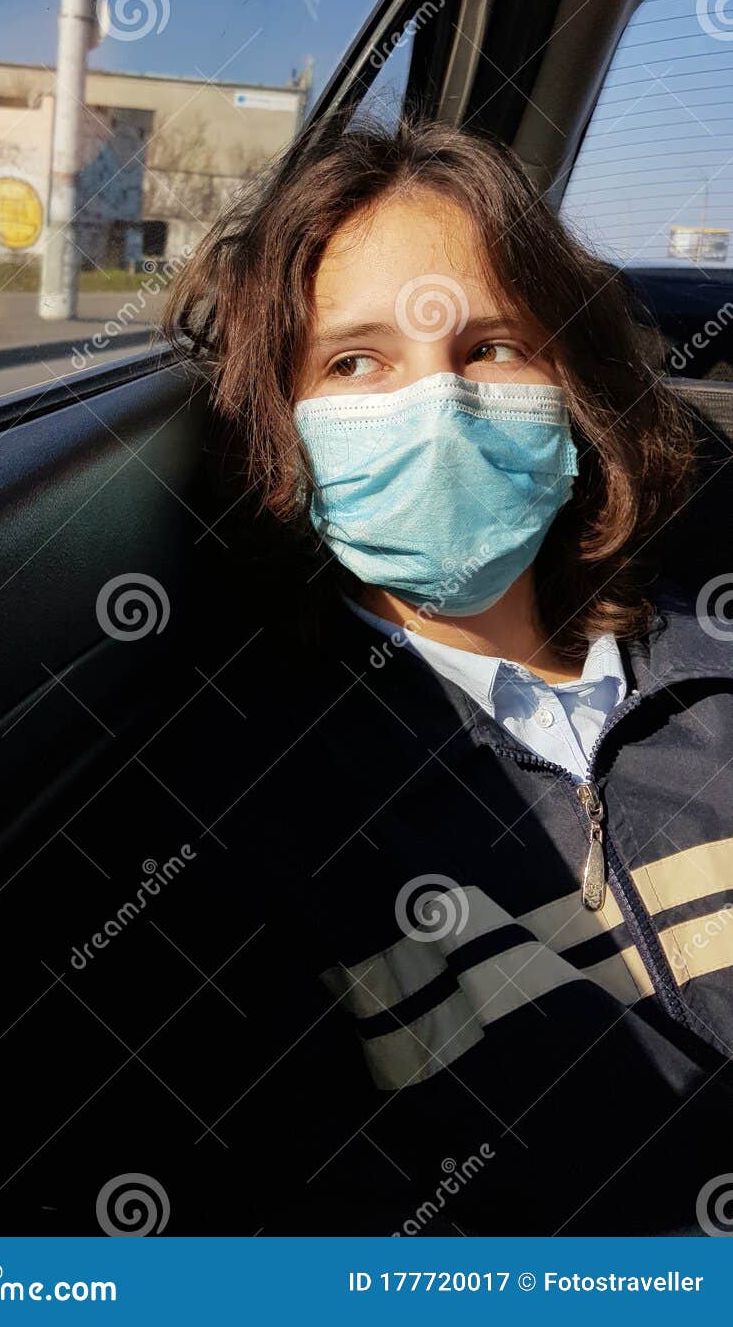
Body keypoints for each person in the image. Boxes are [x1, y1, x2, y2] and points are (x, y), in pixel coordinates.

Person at [159, 112, 733, 1235]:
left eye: (492, 348)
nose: (440, 408)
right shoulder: (255, 813)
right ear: (281, 422)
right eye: (356, 361)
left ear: (574, 388)